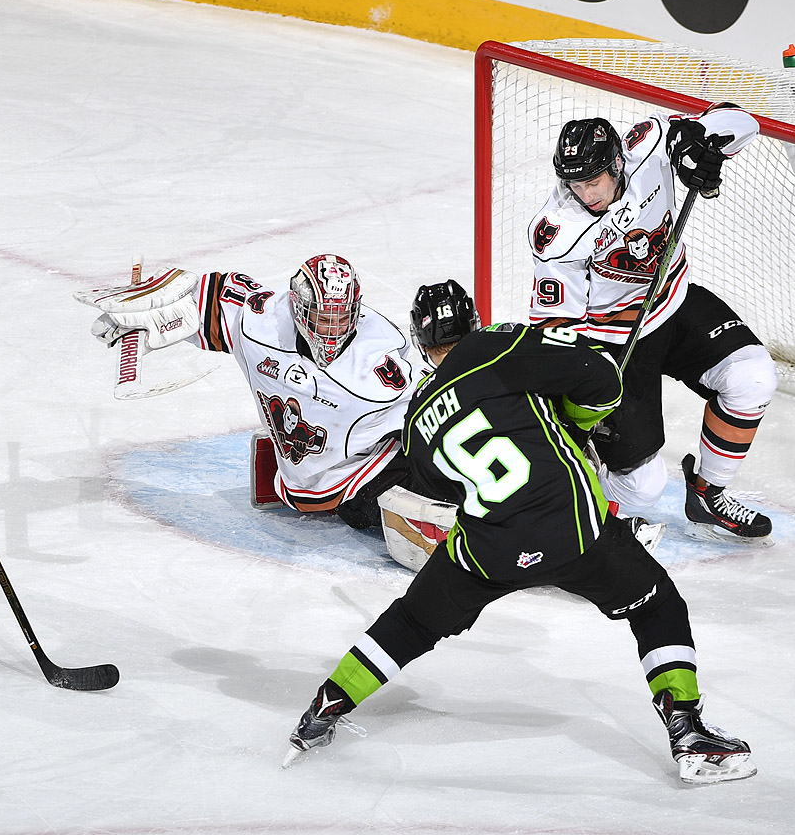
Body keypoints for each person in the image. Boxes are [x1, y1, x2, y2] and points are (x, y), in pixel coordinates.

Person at [283, 280, 757, 785]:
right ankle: (687, 733)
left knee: (413, 622)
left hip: (487, 548)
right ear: (474, 321)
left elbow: (438, 485)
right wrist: (573, 419)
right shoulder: (498, 344)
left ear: (421, 345)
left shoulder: (417, 417)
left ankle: (323, 709)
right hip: (570, 528)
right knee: (656, 605)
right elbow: (601, 379)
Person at [527, 107, 778, 540]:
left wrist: (700, 149)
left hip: (674, 304)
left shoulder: (649, 145)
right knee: (644, 486)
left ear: (616, 164)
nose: (585, 194)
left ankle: (707, 494)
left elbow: (739, 121)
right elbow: (557, 329)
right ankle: (592, 527)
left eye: (593, 181)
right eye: (574, 183)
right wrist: (578, 391)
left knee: (753, 378)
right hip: (611, 341)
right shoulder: (558, 232)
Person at [78, 254, 421, 532]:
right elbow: (206, 300)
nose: (332, 330)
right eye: (321, 316)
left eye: (341, 316)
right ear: (297, 308)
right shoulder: (262, 325)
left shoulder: (379, 363)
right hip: (350, 494)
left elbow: (430, 402)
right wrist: (159, 313)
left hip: (354, 469)